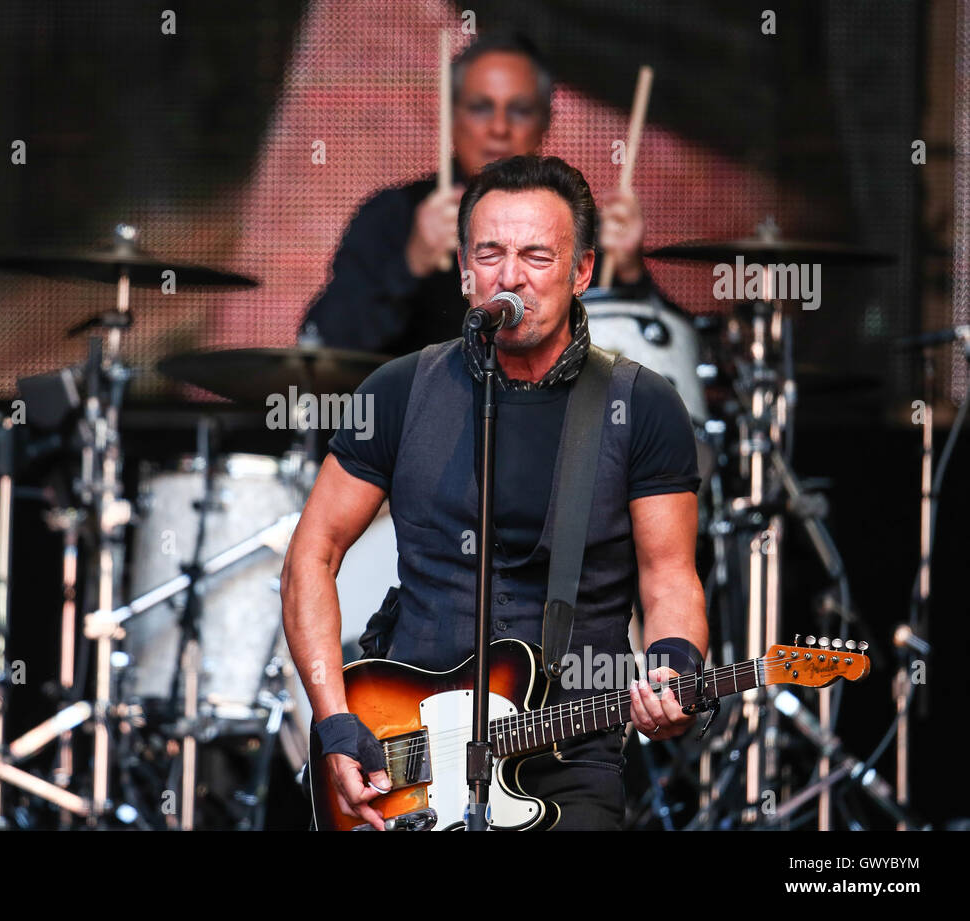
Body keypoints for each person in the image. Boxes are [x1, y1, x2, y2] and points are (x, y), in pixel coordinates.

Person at [280, 155, 707, 830]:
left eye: (538, 255)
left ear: (583, 271)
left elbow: (670, 575)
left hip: (571, 754)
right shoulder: (398, 391)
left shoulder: (641, 406)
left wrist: (673, 668)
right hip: (406, 753)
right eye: (491, 253)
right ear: (463, 269)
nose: (511, 275)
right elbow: (312, 553)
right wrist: (334, 720)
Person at [300, 31, 664, 356]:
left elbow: (663, 358)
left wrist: (631, 274)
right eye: (481, 108)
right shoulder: (394, 214)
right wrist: (410, 263)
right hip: (412, 427)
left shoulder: (581, 226)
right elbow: (323, 345)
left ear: (545, 123)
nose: (499, 128)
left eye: (520, 110)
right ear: (451, 116)